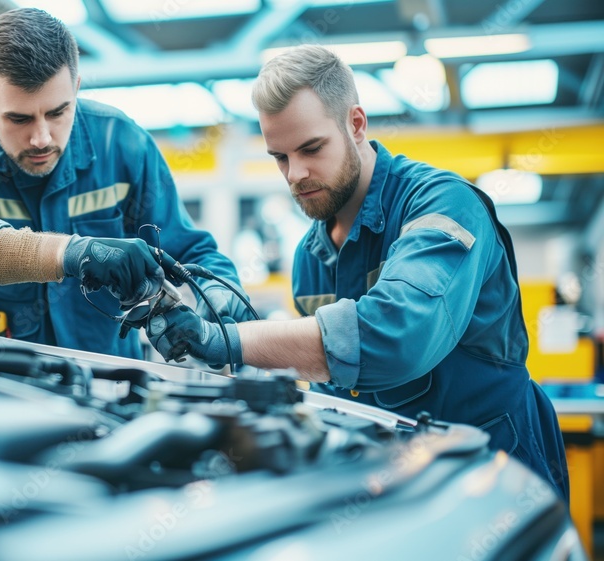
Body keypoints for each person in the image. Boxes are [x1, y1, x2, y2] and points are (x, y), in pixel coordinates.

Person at [146, 44, 569, 501]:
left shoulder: (443, 206)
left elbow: (395, 335)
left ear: (356, 124)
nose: (295, 174)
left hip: (493, 477)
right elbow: (327, 373)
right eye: (280, 157)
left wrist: (227, 339)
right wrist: (239, 329)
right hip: (392, 481)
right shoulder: (310, 256)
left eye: (311, 148)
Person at [0, 8, 247, 359]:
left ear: (76, 90)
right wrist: (72, 254)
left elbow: (188, 250)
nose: (41, 138)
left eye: (57, 112)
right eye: (19, 118)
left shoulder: (120, 141)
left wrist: (218, 296)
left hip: (112, 387)